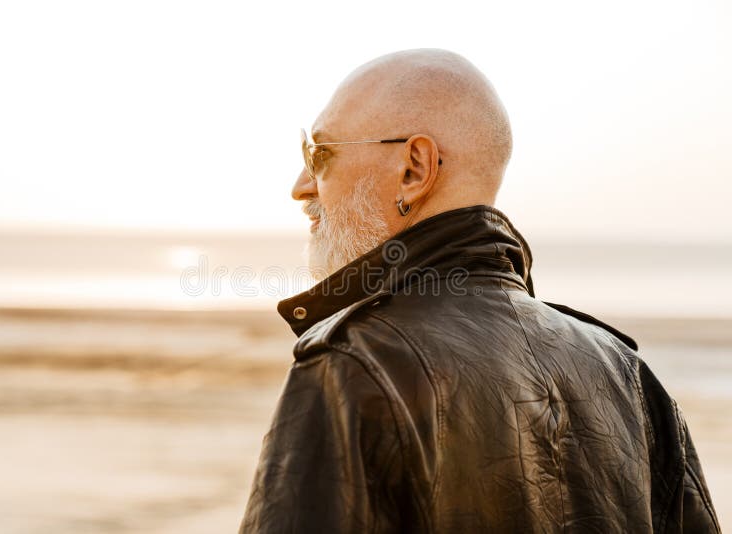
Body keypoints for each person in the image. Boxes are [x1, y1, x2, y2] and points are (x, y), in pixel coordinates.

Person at [238, 49, 720, 533]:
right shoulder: (627, 376)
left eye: (319, 153)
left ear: (414, 169)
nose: (301, 186)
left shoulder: (354, 365)